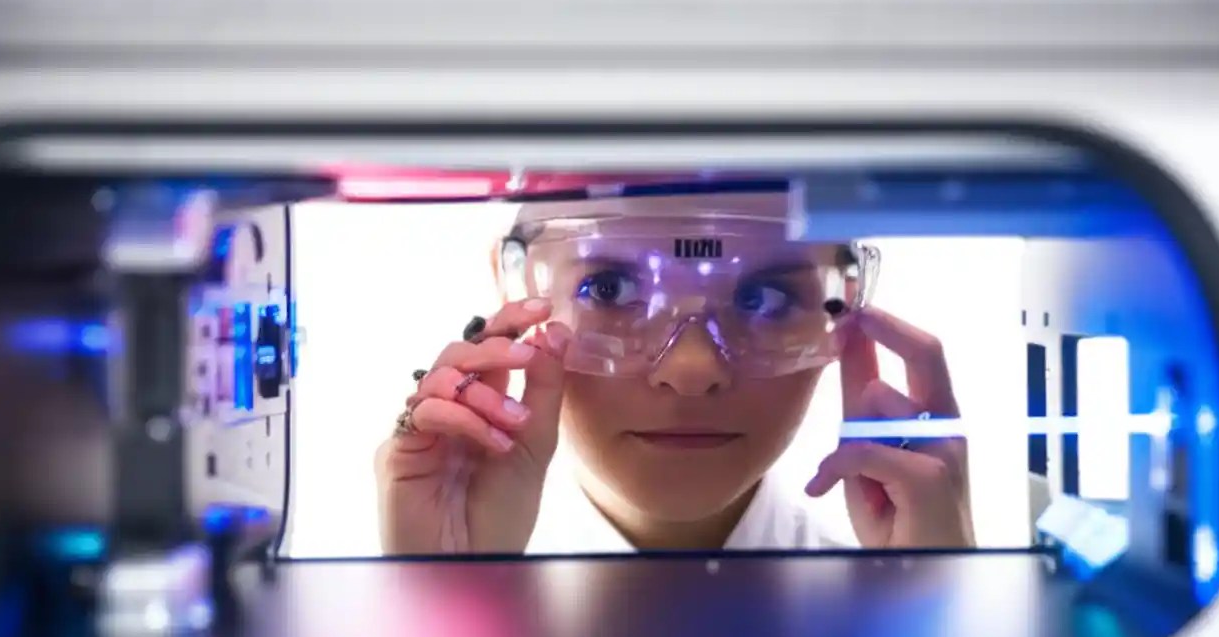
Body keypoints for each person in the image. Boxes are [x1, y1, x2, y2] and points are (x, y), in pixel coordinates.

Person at [375, 189, 976, 554]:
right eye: (608, 288)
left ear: (843, 313)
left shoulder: (900, 633)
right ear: (519, 295)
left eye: (765, 298)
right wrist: (447, 604)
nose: (693, 370)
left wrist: (942, 616)